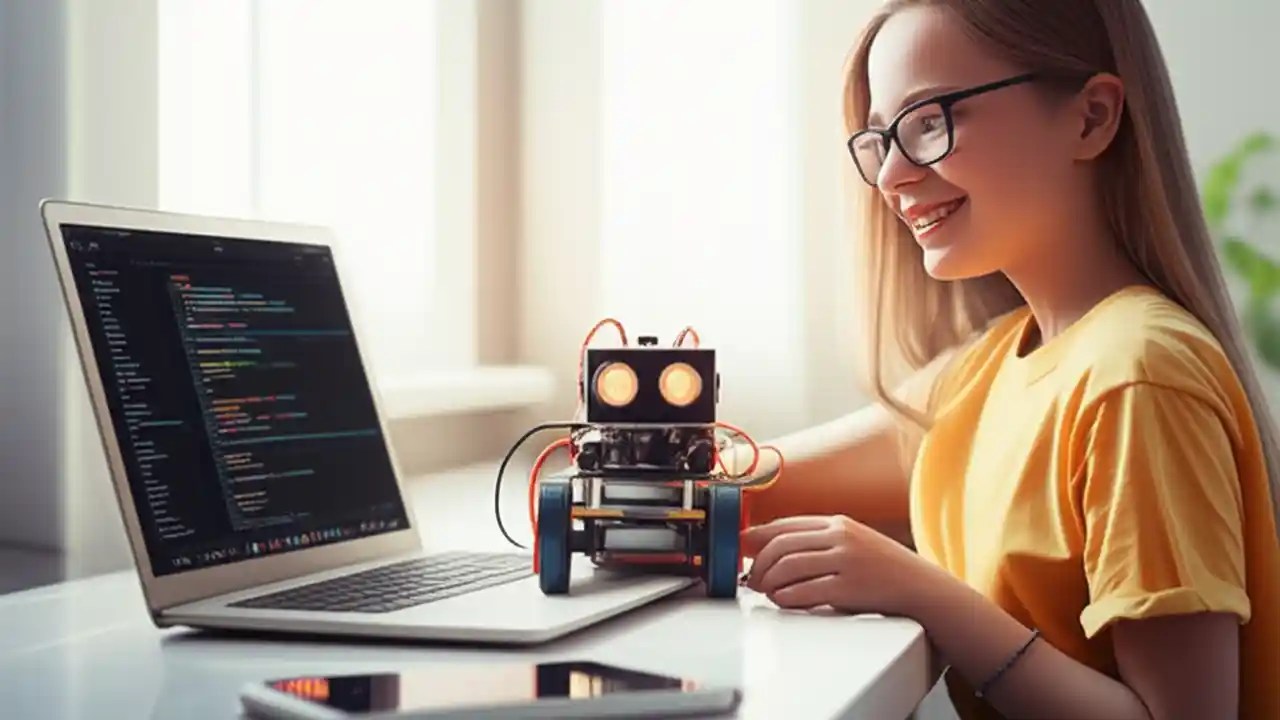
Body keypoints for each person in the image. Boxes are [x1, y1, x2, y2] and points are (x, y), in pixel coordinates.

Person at [734, 1, 1280, 718]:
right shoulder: (989, 370)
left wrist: (921, 590)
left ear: (1091, 118)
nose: (892, 176)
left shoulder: (1139, 375)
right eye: (879, 139)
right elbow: (751, 485)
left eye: (930, 120)